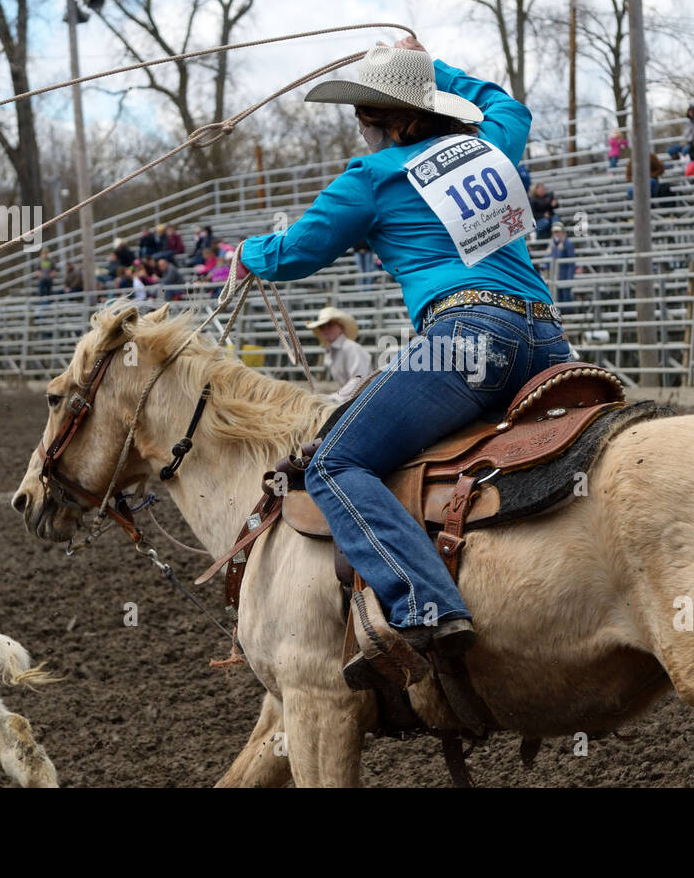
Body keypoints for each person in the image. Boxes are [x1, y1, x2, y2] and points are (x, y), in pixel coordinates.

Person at [234, 37, 572, 687]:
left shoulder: (373, 178)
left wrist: (247, 252)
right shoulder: (489, 145)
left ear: (379, 116)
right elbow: (509, 105)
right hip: (547, 342)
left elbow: (293, 254)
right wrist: (431, 65)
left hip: (468, 339)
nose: (360, 125)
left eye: (365, 111)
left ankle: (424, 602)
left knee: (335, 463)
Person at [307, 306, 373, 404]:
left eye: (329, 325)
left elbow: (359, 380)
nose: (325, 330)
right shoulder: (331, 351)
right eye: (322, 327)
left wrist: (333, 398)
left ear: (341, 328)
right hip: (356, 400)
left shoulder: (351, 348)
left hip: (366, 400)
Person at [548, 221, 576, 307]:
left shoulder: (568, 243)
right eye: (554, 232)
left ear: (562, 232)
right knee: (557, 299)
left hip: (565, 276)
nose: (556, 234)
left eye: (558, 231)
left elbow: (571, 262)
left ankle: (570, 318)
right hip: (555, 276)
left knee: (566, 299)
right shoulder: (552, 244)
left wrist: (569, 278)